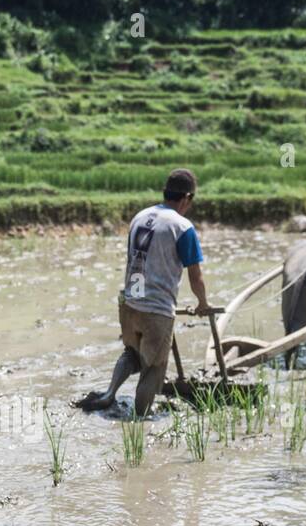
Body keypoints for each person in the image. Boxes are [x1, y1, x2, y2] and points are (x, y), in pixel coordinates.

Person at [82, 168, 211, 416]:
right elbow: (196, 276)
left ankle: (109, 394)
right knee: (154, 367)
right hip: (157, 310)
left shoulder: (140, 217)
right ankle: (140, 421)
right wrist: (203, 303)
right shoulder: (183, 227)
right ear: (186, 198)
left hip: (129, 303)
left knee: (131, 353)